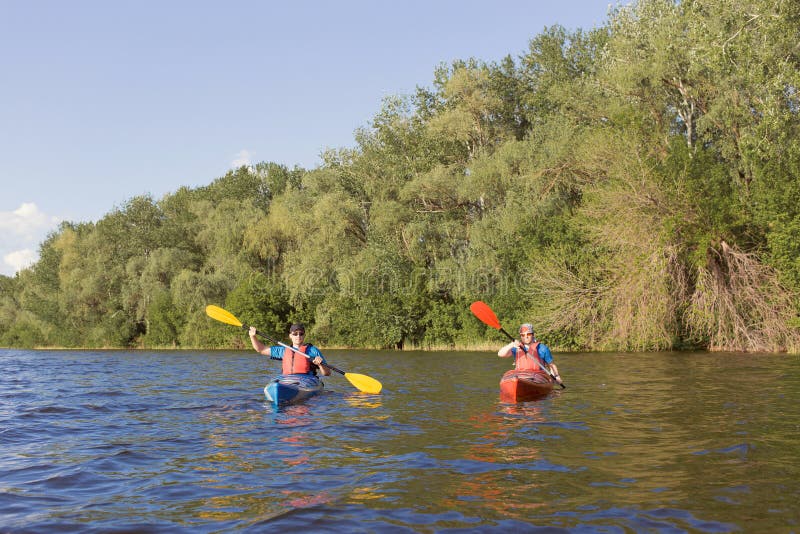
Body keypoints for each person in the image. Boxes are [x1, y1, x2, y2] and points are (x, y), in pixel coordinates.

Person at [249, 323, 331, 377]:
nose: (298, 336)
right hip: (287, 380)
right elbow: (260, 349)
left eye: (301, 334)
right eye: (295, 334)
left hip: (307, 381)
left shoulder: (313, 350)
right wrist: (253, 336)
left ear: (304, 336)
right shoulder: (283, 350)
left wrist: (321, 365)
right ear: (290, 336)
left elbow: (327, 373)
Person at [497, 323, 563, 386]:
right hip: (520, 375)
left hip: (538, 377)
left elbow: (551, 365)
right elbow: (500, 354)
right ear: (520, 336)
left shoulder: (542, 348)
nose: (526, 337)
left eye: (528, 334)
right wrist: (511, 344)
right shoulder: (516, 348)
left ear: (533, 335)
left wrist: (556, 376)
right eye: (523, 335)